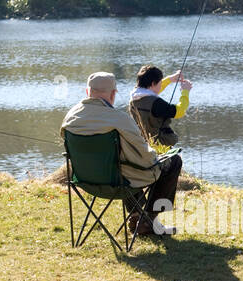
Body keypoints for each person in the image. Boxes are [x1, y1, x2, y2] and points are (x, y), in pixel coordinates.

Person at [61, 72, 183, 235]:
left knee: (123, 163)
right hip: (118, 182)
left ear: (87, 92)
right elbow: (145, 155)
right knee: (172, 161)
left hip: (85, 181)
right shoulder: (119, 119)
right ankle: (149, 219)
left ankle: (136, 215)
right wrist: (157, 158)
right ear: (113, 94)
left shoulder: (70, 118)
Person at [128, 65, 192, 153]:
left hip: (142, 142)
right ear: (153, 83)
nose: (161, 84)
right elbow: (179, 111)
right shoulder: (157, 103)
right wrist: (185, 91)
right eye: (160, 83)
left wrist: (170, 79)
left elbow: (151, 92)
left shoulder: (134, 98)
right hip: (159, 145)